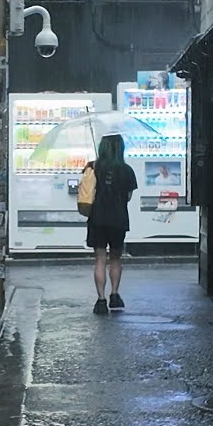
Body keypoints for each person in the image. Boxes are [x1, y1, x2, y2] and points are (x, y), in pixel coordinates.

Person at [85, 134, 138, 314]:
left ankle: (101, 300)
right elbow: (129, 197)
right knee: (115, 258)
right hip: (118, 219)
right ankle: (115, 295)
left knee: (99, 259)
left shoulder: (93, 167)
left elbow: (85, 191)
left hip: (97, 218)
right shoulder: (127, 170)